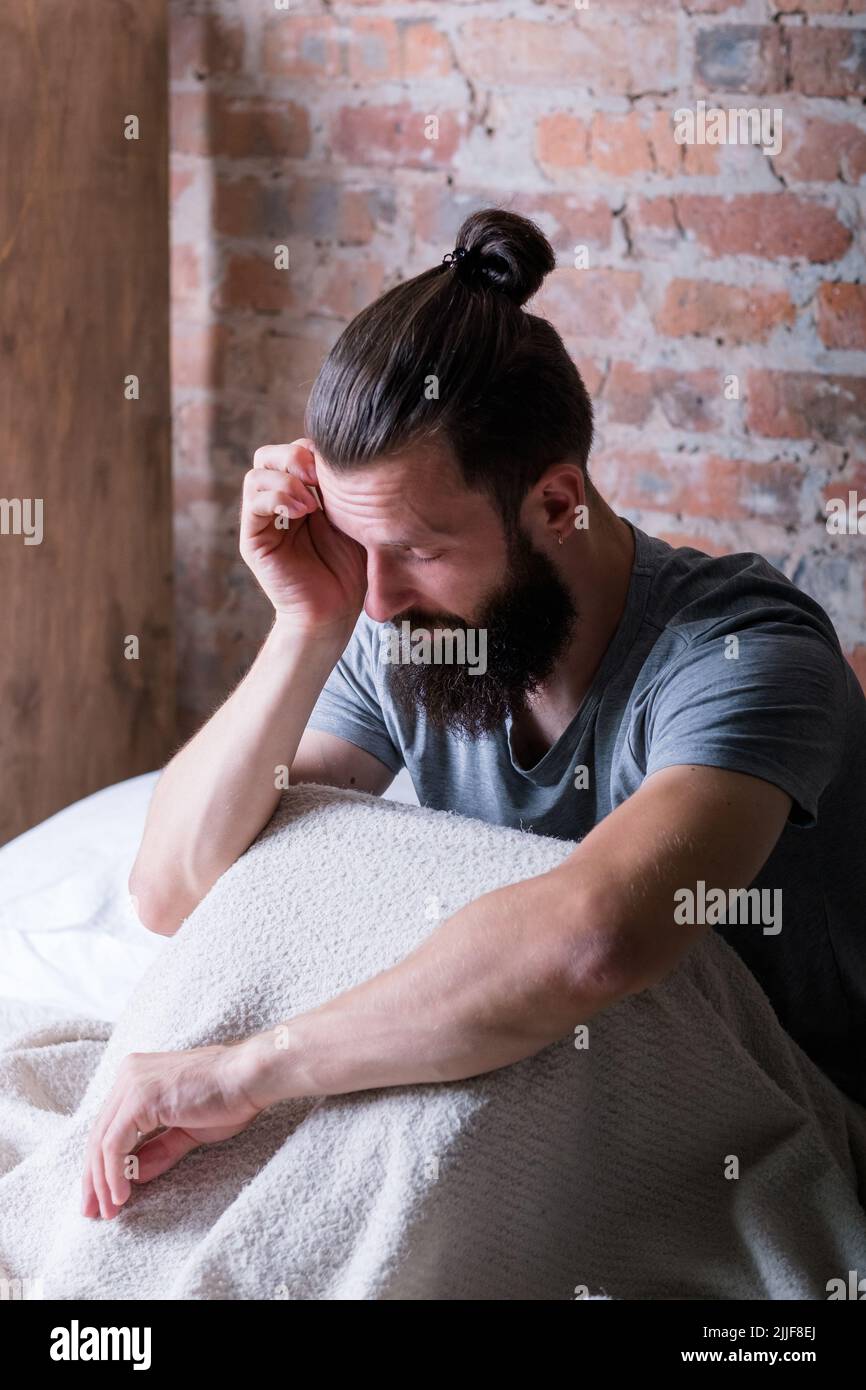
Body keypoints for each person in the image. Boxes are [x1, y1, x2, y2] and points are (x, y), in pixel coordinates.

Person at [83, 208, 865, 1220]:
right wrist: (303, 627)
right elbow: (177, 888)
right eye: (356, 547)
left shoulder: (742, 657)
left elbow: (595, 938)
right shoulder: (401, 630)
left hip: (776, 1126)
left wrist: (242, 1074)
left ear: (554, 504)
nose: (377, 598)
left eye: (414, 549)